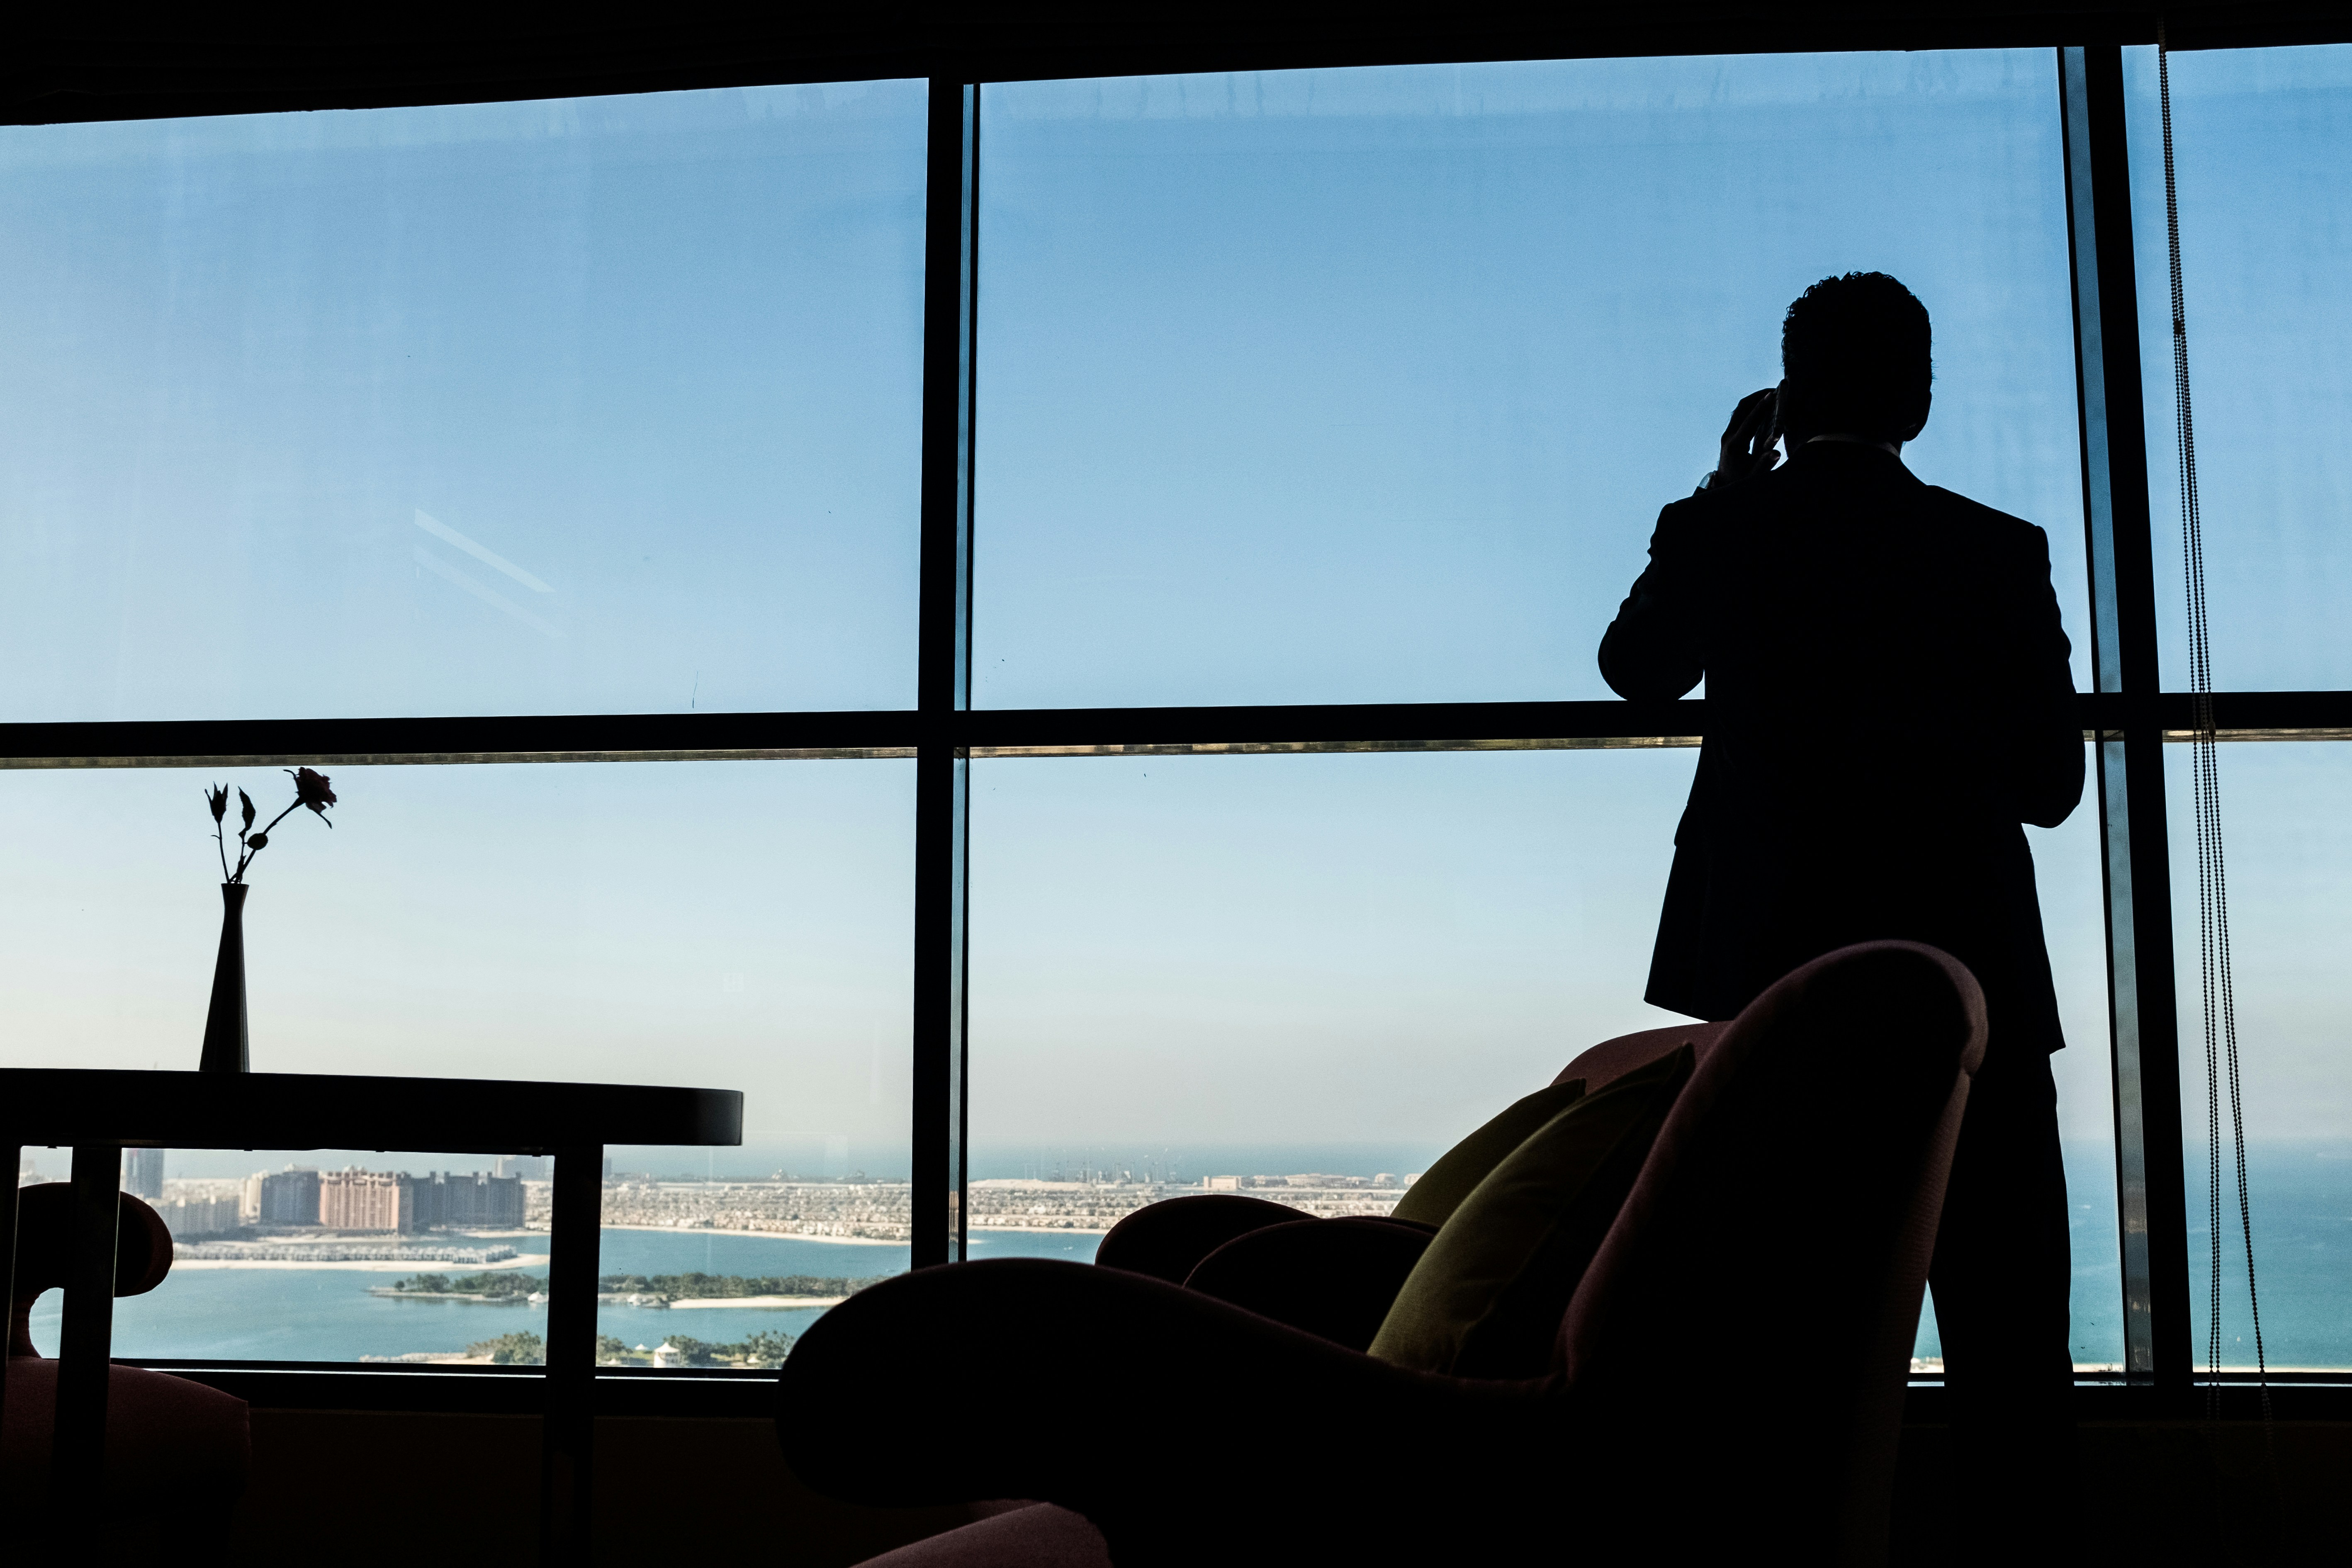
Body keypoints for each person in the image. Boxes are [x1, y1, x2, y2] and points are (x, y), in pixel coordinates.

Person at [1598, 271, 2082, 1554]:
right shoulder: (1998, 551)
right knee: (2012, 1350)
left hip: (1769, 990)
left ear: (1786, 394)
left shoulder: (1730, 531)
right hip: (1973, 985)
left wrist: (1719, 491)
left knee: (1769, 1346)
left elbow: (1636, 674)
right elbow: (2051, 787)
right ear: (1919, 399)